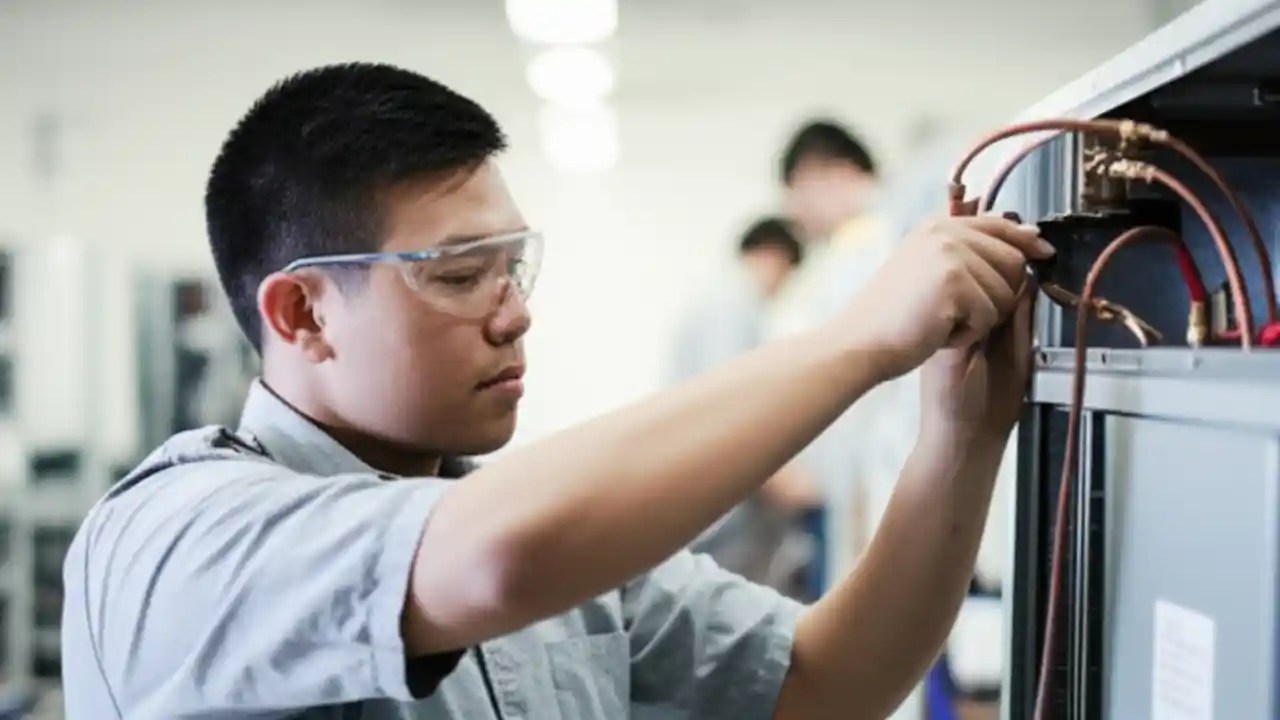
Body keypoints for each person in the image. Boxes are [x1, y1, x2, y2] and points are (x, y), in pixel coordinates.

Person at [60, 63, 1052, 719]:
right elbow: (493, 561)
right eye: (457, 275)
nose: (513, 314)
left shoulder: (565, 554)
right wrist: (858, 341)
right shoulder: (176, 536)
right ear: (302, 315)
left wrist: (957, 441)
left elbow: (829, 681)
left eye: (513, 266)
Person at [669, 217, 818, 594]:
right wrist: (789, 485)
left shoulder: (720, 303)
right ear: (775, 258)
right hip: (719, 506)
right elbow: (732, 411)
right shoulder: (731, 306)